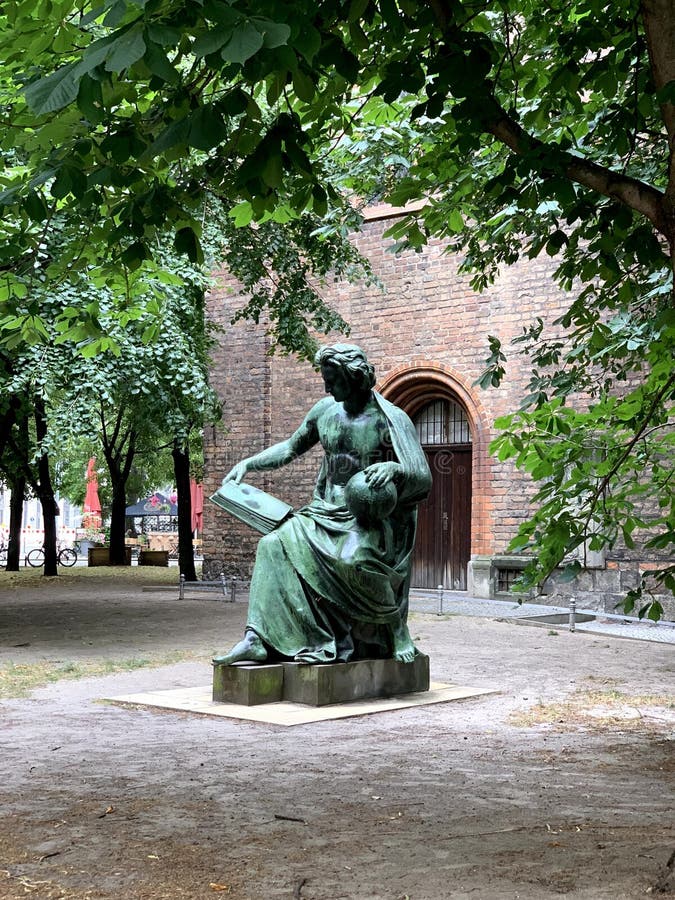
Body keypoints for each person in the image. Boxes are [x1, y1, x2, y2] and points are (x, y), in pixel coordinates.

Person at [213, 343, 432, 666]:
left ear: (353, 377)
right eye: (325, 380)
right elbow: (290, 447)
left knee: (356, 559)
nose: (326, 387)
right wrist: (249, 464)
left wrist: (394, 469)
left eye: (333, 380)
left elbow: (423, 477)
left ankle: (397, 630)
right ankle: (256, 638)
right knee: (271, 545)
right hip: (322, 511)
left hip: (363, 517)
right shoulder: (324, 411)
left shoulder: (390, 419)